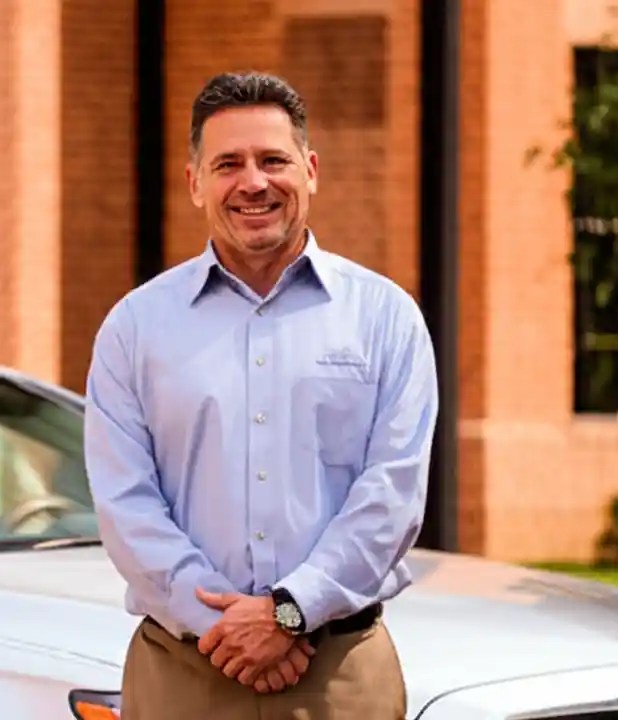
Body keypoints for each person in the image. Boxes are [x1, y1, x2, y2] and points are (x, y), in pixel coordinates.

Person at [83, 70, 439, 719]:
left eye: (273, 160)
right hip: (183, 674)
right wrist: (228, 627)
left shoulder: (386, 319)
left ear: (311, 171)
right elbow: (125, 503)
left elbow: (393, 494)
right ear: (195, 182)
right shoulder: (135, 328)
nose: (253, 182)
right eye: (228, 164)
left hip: (340, 677)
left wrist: (290, 612)